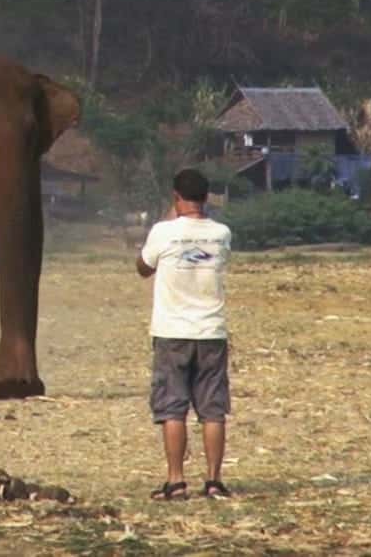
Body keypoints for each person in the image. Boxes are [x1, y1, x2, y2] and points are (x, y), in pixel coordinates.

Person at [136, 168, 232, 501]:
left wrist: (169, 216)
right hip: (211, 332)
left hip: (171, 332)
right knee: (213, 410)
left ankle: (176, 481)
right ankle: (214, 481)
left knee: (172, 409)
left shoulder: (163, 232)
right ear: (207, 198)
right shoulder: (222, 233)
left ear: (176, 197)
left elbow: (143, 268)